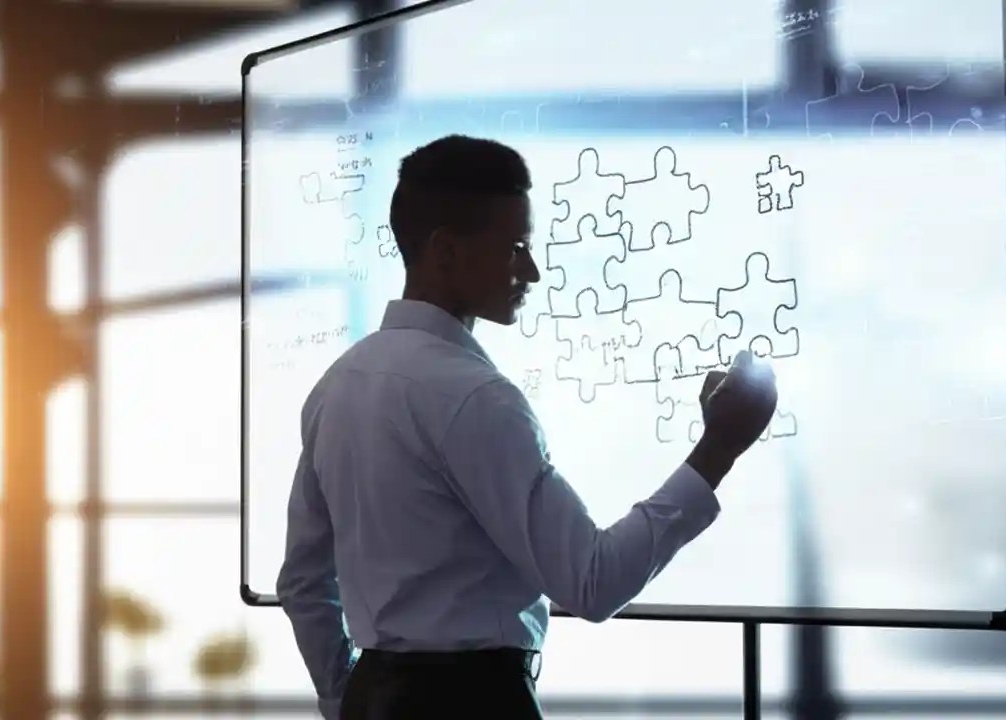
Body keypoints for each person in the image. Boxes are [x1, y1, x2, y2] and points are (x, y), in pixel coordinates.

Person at [276, 134, 779, 719]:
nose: (532, 271)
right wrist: (720, 447)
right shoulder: (475, 398)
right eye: (515, 247)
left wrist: (345, 699)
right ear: (446, 252)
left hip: (374, 698)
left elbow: (303, 582)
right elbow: (591, 581)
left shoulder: (336, 385)